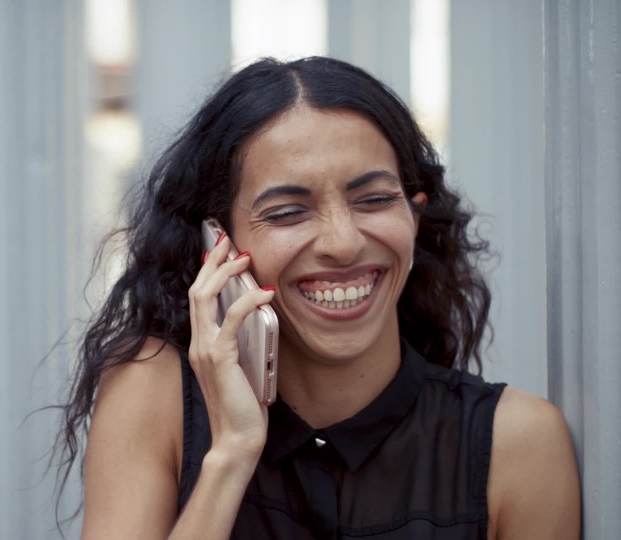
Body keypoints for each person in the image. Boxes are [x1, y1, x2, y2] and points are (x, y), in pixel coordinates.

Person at [56, 56, 580, 539]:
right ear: (219, 244)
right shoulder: (152, 393)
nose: (343, 243)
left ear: (415, 218)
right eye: (287, 212)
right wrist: (230, 457)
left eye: (374, 200)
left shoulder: (518, 444)